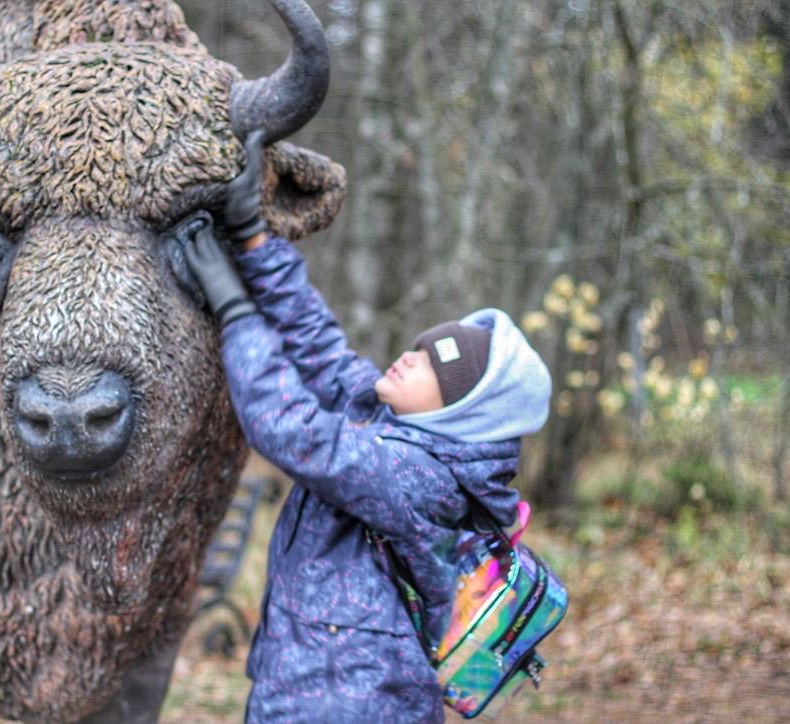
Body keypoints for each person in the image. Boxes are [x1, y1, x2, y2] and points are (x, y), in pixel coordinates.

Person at [182, 131, 552, 722]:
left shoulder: (419, 477)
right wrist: (254, 238)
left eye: (436, 365)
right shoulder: (386, 427)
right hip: (311, 689)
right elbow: (317, 344)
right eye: (422, 344)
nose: (412, 354)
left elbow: (291, 430)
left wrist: (235, 311)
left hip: (350, 704)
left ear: (459, 414)